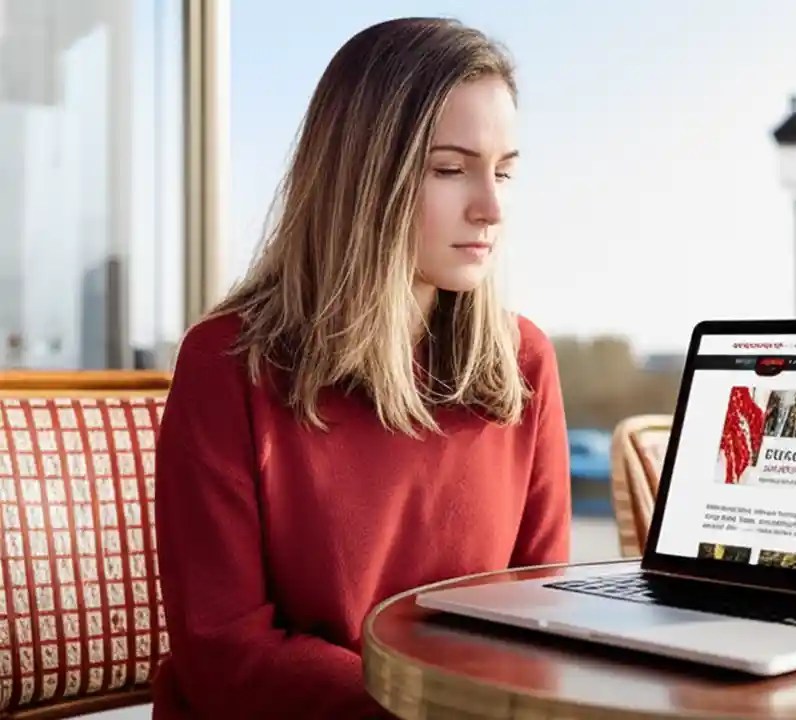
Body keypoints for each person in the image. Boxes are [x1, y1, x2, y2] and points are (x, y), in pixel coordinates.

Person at [151, 17, 570, 719]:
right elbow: (224, 650)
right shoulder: (226, 365)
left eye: (504, 171)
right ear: (362, 175)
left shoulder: (524, 360)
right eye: (448, 168)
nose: (491, 207)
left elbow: (546, 611)